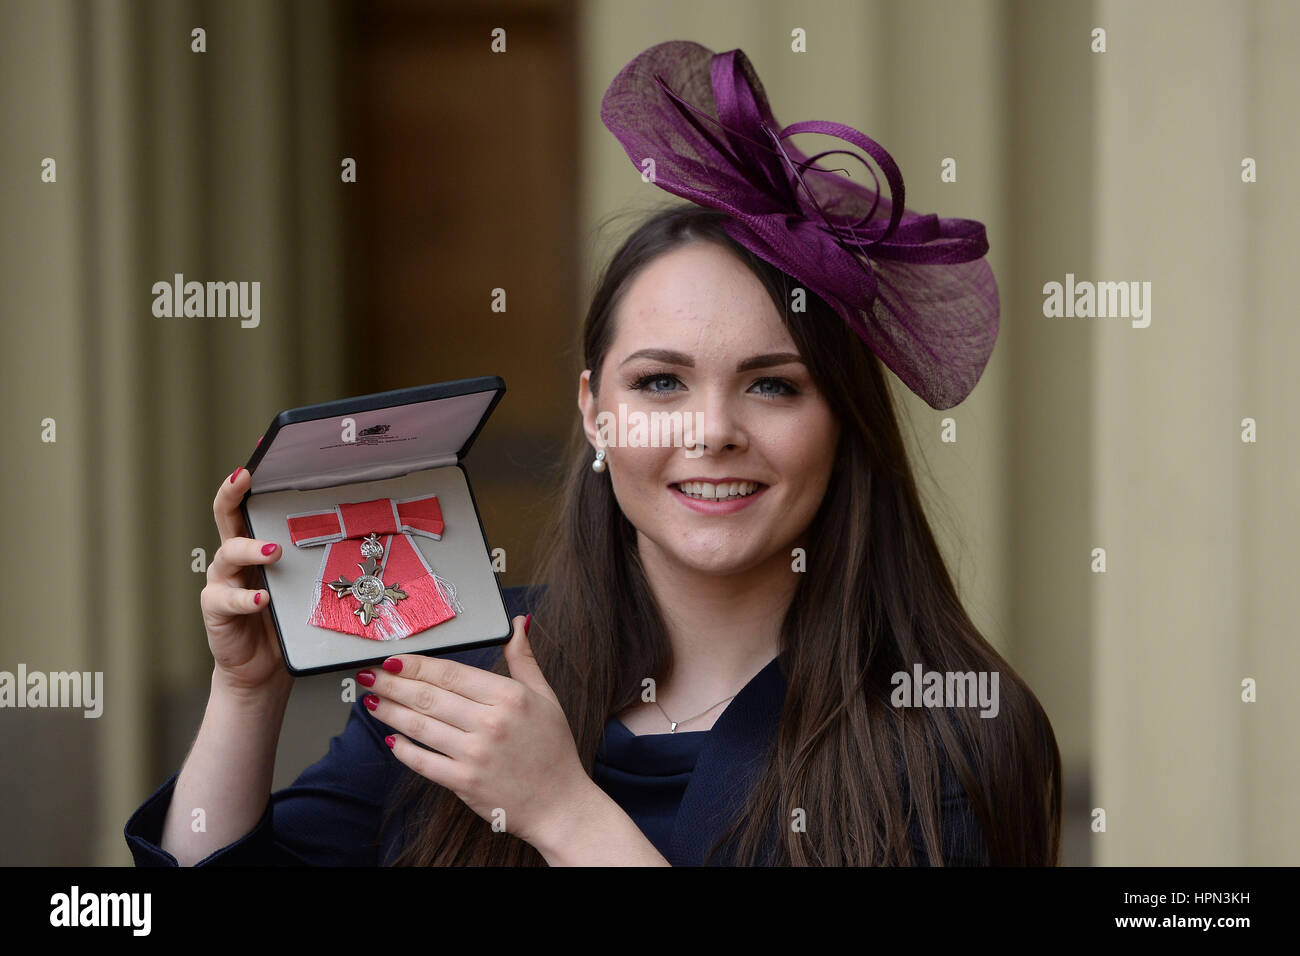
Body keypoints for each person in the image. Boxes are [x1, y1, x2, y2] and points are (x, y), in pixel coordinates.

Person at [125, 40, 1061, 867]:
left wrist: (564, 814)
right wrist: (247, 693)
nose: (711, 431)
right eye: (660, 383)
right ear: (594, 412)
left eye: (773, 384)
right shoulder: (469, 672)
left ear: (846, 419)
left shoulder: (955, 732)